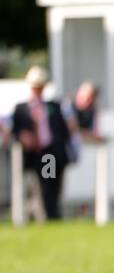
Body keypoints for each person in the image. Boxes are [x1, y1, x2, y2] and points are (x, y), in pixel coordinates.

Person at [11, 66, 72, 221]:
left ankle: (50, 216)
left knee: (48, 184)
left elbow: (63, 131)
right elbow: (15, 131)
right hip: (31, 156)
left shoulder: (53, 106)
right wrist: (22, 136)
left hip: (48, 154)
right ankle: (40, 216)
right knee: (34, 188)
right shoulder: (21, 109)